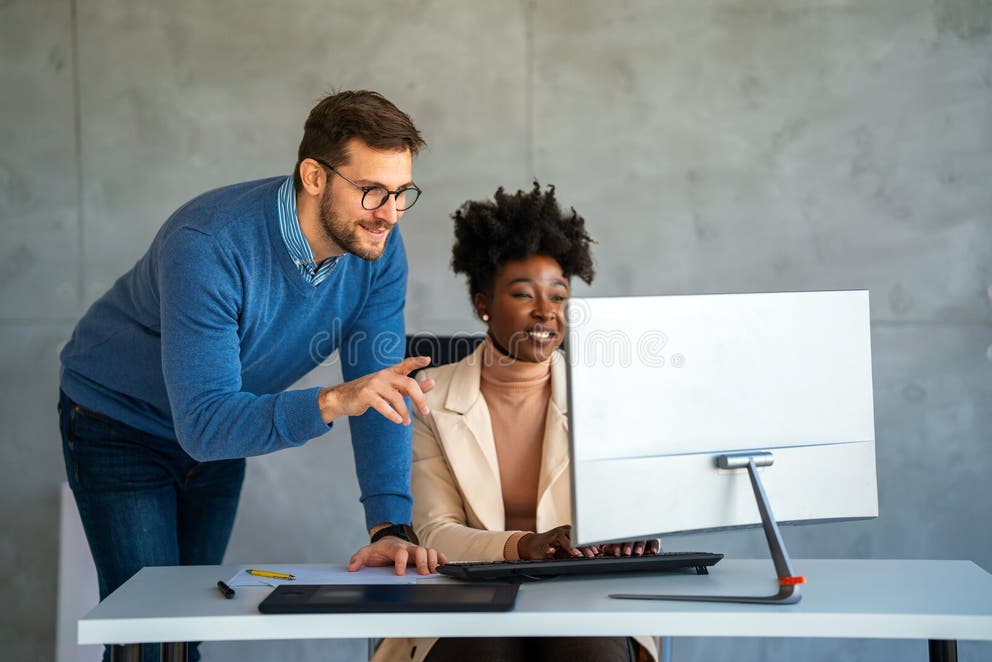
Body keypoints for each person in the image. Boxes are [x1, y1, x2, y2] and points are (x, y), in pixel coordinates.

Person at [58, 90, 445, 662]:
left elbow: (382, 391)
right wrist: (335, 399)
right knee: (146, 631)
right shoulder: (209, 245)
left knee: (187, 624)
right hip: (118, 421)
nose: (389, 214)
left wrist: (389, 526)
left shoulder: (377, 250)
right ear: (315, 176)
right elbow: (206, 425)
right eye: (371, 192)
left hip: (223, 422)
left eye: (400, 194)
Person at [373, 183, 660, 662]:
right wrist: (523, 545)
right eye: (524, 294)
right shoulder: (429, 395)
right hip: (463, 598)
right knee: (484, 651)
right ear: (484, 303)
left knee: (587, 651)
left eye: (559, 295)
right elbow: (435, 532)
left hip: (584, 598)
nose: (546, 311)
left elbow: (634, 507)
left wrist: (630, 532)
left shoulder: (606, 394)